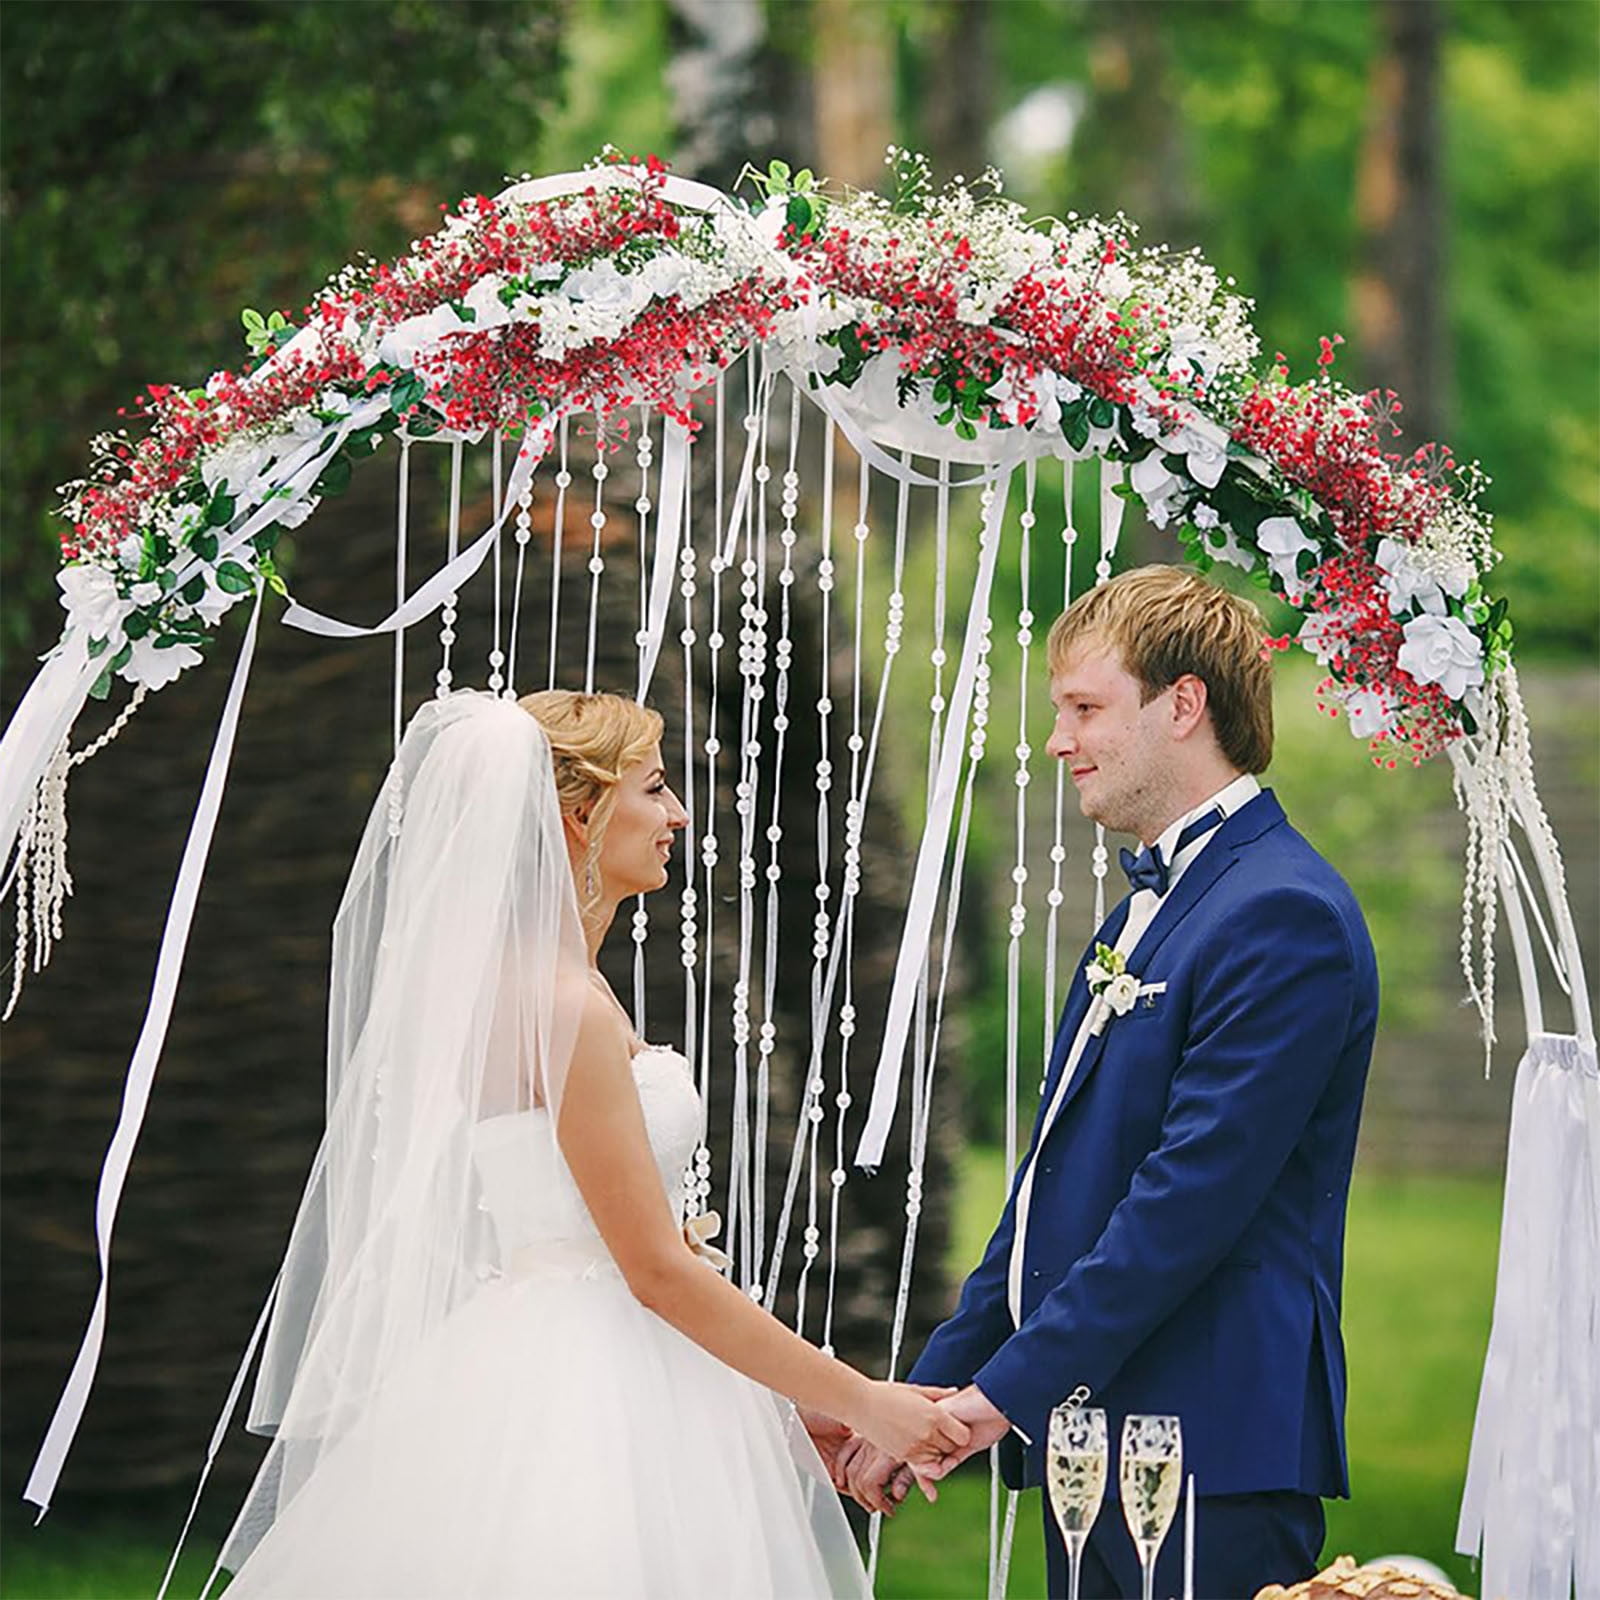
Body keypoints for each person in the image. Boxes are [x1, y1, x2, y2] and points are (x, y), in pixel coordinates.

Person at [214, 688, 967, 1599]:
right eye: (654, 789)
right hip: (579, 1403)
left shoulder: (565, 987)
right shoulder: (560, 1006)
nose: (678, 814)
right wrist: (863, 1398)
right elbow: (651, 1269)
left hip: (609, 1362)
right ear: (581, 815)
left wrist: (780, 1415)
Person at [837, 567, 1379, 1600]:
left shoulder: (1283, 913)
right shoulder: (1147, 906)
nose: (1058, 740)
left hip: (1210, 1438)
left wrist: (994, 1401)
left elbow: (1183, 1205)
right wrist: (925, 1389)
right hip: (1099, 1429)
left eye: (1085, 708)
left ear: (1184, 705)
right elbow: (1053, 1194)